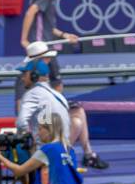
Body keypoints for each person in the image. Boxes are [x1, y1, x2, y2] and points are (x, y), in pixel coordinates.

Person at [14, 41, 108, 170]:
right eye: (45, 57)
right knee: (75, 123)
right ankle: (62, 157)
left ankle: (85, 154)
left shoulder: (48, 67)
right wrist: (27, 135)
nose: (49, 59)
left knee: (78, 113)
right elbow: (20, 109)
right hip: (40, 122)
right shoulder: (26, 78)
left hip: (48, 119)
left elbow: (58, 88)